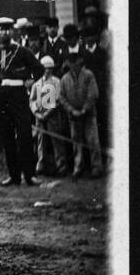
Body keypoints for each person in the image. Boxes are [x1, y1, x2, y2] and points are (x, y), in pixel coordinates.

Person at [0, 16, 41, 186]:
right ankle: (14, 175)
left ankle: (30, 175)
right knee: (7, 136)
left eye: (7, 29)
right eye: (1, 29)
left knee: (24, 135)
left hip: (19, 95)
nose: (4, 33)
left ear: (12, 31)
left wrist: (30, 80)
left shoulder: (22, 51)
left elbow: (38, 68)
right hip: (2, 96)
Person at [59, 49, 102, 179]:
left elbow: (93, 94)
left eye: (75, 62)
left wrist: (84, 109)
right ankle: (78, 168)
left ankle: (96, 168)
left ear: (80, 62)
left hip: (88, 115)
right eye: (71, 63)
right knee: (76, 143)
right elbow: (61, 97)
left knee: (93, 141)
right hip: (73, 116)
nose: (73, 65)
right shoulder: (65, 78)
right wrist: (71, 110)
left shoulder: (88, 75)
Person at [30, 55, 69, 177]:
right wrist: (37, 113)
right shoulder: (37, 84)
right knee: (41, 141)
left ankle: (61, 164)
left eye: (50, 68)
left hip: (52, 116)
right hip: (40, 117)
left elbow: (57, 100)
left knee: (56, 140)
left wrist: (47, 114)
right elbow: (32, 100)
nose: (47, 71)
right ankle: (41, 164)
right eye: (45, 68)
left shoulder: (56, 82)